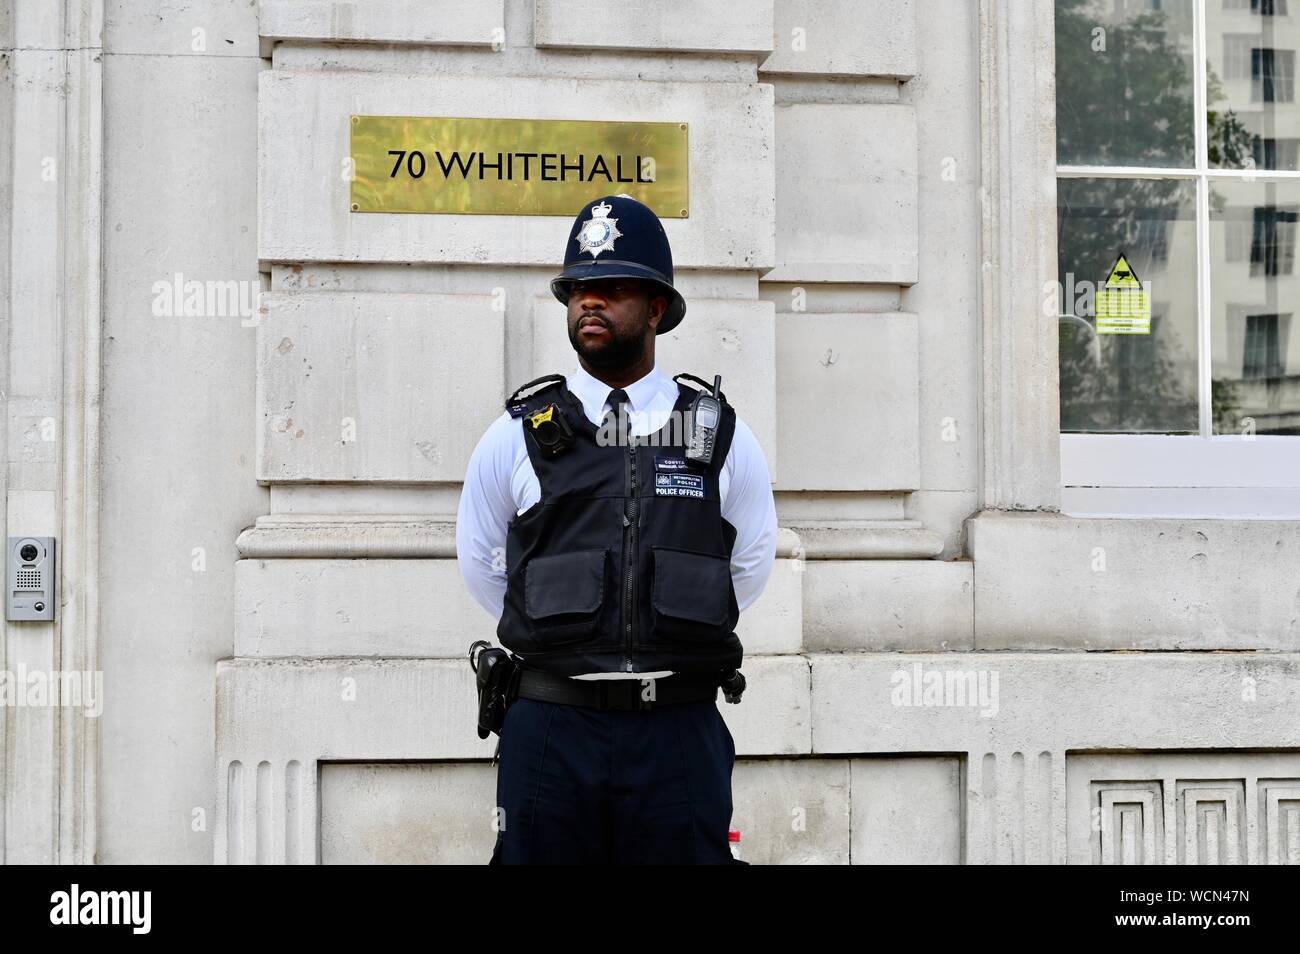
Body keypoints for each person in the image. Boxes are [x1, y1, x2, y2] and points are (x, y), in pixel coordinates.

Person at [456, 193, 778, 864]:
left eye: (610, 288)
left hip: (678, 732)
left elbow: (747, 566)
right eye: (578, 290)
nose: (588, 303)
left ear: (656, 308)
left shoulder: (717, 436)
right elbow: (486, 565)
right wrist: (573, 645)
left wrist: (663, 634)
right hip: (550, 730)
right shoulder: (516, 435)